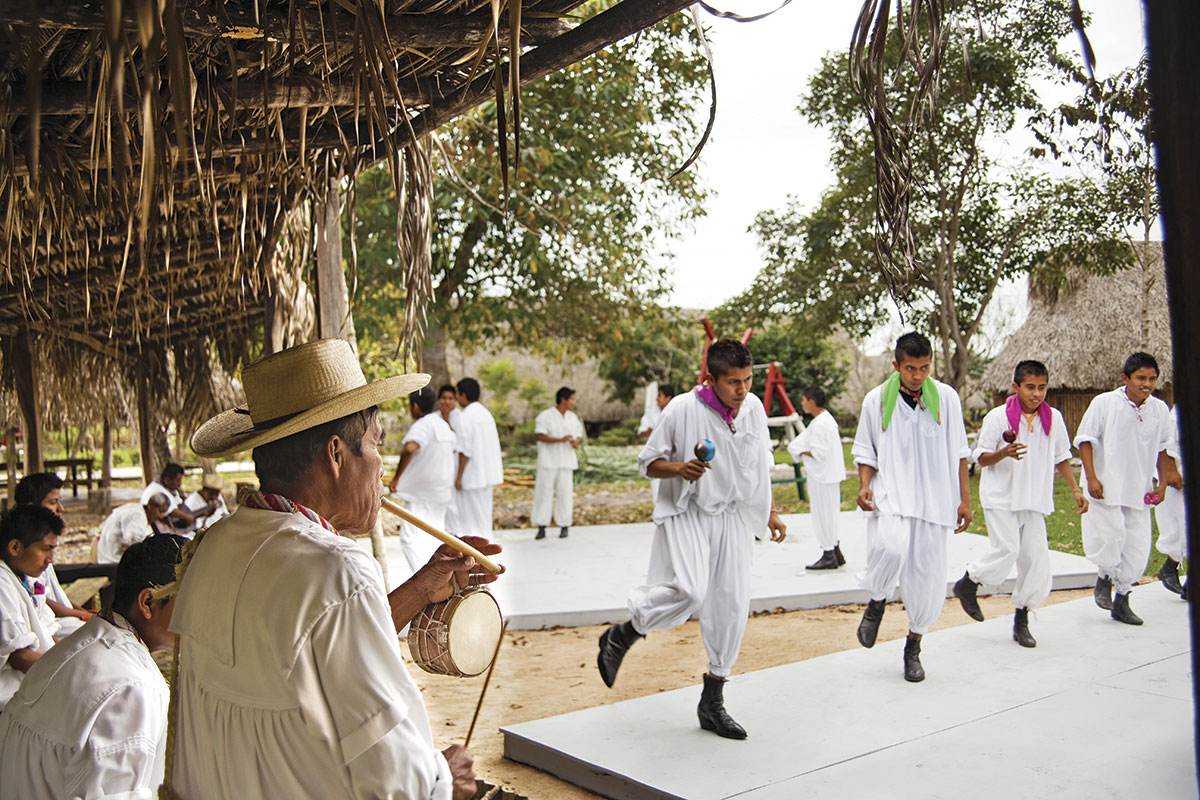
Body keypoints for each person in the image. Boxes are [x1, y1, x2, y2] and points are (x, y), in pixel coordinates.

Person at [168, 338, 502, 799]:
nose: (382, 469)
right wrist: (444, 778)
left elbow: (310, 650)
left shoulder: (214, 547)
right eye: (374, 444)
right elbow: (399, 783)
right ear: (336, 454)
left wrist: (423, 587)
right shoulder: (338, 569)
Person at [596, 339, 786, 740]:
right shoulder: (682, 408)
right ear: (709, 379)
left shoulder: (752, 409)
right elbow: (649, 463)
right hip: (690, 510)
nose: (742, 389)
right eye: (733, 381)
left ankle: (713, 701)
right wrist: (680, 468)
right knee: (690, 591)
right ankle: (624, 633)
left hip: (733, 514)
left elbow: (759, 467)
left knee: (732, 604)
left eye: (748, 380)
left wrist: (768, 510)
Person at [0, 534, 185, 799]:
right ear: (148, 602)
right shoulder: (134, 688)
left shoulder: (82, 645)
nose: (201, 617)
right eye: (192, 603)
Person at [852, 332, 971, 683]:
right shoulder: (875, 401)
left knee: (928, 581)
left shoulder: (946, 399)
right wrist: (863, 486)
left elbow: (960, 452)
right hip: (892, 493)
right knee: (889, 547)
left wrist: (964, 500)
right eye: (910, 368)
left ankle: (913, 645)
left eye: (924, 368)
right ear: (896, 365)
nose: (918, 375)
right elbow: (865, 451)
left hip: (935, 501)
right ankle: (877, 601)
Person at [952, 361, 1088, 647]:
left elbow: (1061, 456)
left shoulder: (1054, 419)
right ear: (1015, 387)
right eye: (1030, 387)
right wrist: (1003, 453)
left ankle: (1022, 617)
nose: (1036, 394)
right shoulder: (998, 417)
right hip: (1001, 496)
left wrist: (1075, 489)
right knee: (1007, 548)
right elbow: (980, 457)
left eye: (1042, 387)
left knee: (1036, 559)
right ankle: (970, 581)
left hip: (1034, 499)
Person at [1075, 352, 1178, 625]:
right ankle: (1104, 577)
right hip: (1106, 485)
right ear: (1125, 378)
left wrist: (1162, 484)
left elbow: (1161, 450)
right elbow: (1085, 440)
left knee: (1137, 545)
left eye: (1152, 379)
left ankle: (1122, 598)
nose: (1147, 384)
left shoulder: (1158, 409)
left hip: (1139, 487)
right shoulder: (1105, 403)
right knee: (1112, 536)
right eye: (1141, 378)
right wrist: (1092, 478)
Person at [0, 505, 62, 710]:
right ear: (15, 547)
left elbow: (47, 633)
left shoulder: (23, 577)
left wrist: (71, 658)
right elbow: (21, 657)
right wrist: (67, 673)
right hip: (12, 697)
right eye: (45, 549)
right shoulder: (2, 584)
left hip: (37, 677)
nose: (51, 559)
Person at [389, 387, 458, 572]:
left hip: (423, 494)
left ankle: (425, 579)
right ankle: (438, 577)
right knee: (434, 537)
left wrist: (396, 479)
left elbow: (410, 448)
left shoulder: (423, 424)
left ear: (416, 405)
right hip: (441, 491)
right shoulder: (442, 424)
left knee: (410, 538)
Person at [14, 472, 91, 633]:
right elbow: (41, 600)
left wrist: (81, 612)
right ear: (31, 507)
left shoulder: (43, 545)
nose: (60, 508)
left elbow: (52, 595)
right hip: (50, 624)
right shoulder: (26, 550)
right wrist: (80, 614)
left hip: (56, 621)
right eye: (53, 502)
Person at [787, 385, 847, 570]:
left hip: (823, 477)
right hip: (829, 476)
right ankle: (835, 551)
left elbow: (819, 453)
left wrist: (800, 451)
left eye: (804, 400)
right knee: (830, 515)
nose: (802, 404)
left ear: (811, 402)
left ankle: (829, 553)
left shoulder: (821, 424)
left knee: (823, 516)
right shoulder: (825, 419)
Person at [450, 377, 504, 538]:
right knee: (483, 518)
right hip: (487, 476)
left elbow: (464, 451)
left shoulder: (465, 417)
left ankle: (480, 556)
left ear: (463, 395)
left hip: (472, 477)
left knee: (471, 523)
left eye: (458, 394)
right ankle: (487, 553)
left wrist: (459, 477)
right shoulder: (485, 414)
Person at [533, 387, 585, 540]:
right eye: (572, 399)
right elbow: (540, 436)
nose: (574, 403)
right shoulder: (545, 416)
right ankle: (541, 526)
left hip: (566, 462)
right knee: (544, 493)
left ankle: (564, 525)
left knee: (565, 493)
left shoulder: (572, 418)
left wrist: (575, 442)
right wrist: (560, 439)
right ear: (563, 399)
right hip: (548, 461)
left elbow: (578, 437)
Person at [1154, 405, 1188, 598]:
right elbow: (1167, 440)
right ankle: (1169, 568)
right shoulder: (1180, 411)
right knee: (1179, 525)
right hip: (1178, 477)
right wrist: (1170, 470)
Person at [96, 494, 171, 564]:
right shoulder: (136, 515)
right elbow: (133, 545)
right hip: (113, 561)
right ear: (150, 505)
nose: (161, 516)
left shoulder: (142, 516)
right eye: (160, 511)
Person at [142, 463, 215, 532]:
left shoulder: (172, 490)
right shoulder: (155, 489)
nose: (179, 484)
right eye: (178, 480)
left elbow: (179, 508)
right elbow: (170, 511)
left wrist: (202, 514)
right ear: (167, 480)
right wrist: (186, 517)